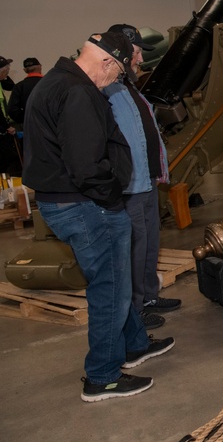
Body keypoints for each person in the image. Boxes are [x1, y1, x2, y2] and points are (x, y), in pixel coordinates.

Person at [22, 31, 174, 401]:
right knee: (111, 289)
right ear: (106, 61)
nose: (116, 80)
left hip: (70, 201)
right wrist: (111, 200)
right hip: (85, 204)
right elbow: (86, 164)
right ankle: (102, 376)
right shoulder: (78, 92)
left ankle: (134, 344)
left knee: (116, 282)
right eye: (118, 72)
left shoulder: (58, 82)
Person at [104, 24, 176, 331]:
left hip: (146, 180)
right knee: (133, 249)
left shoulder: (128, 86)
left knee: (149, 244)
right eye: (135, 53)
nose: (139, 60)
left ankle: (148, 296)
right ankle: (135, 310)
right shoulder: (106, 87)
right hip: (129, 185)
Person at [8, 57, 44, 126]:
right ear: (40, 67)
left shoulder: (19, 86)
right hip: (50, 126)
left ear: (25, 70)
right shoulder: (49, 84)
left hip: (29, 126)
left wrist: (25, 119)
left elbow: (12, 110)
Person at [0, 56, 21, 177]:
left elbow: (11, 85)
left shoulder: (1, 81)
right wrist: (7, 126)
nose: (8, 71)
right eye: (6, 70)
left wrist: (4, 76)